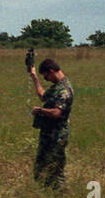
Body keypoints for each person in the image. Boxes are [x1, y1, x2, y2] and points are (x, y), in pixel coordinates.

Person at [29, 57, 73, 190]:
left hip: (57, 136)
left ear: (52, 71)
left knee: (55, 170)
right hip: (48, 135)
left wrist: (40, 110)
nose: (46, 80)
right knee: (40, 168)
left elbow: (56, 113)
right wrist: (34, 77)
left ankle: (61, 197)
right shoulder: (56, 87)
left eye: (46, 77)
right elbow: (43, 96)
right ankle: (44, 194)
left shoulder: (64, 90)